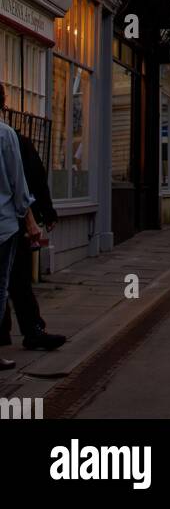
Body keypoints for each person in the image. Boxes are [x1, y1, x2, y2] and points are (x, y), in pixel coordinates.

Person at [0, 83, 65, 352]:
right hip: (8, 224)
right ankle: (32, 330)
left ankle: (6, 333)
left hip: (9, 221)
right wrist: (37, 217)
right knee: (14, 281)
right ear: (4, 103)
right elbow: (25, 183)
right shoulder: (10, 136)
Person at [0, 98, 40, 372]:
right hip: (3, 226)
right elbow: (18, 182)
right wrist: (30, 221)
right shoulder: (5, 134)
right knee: (0, 288)